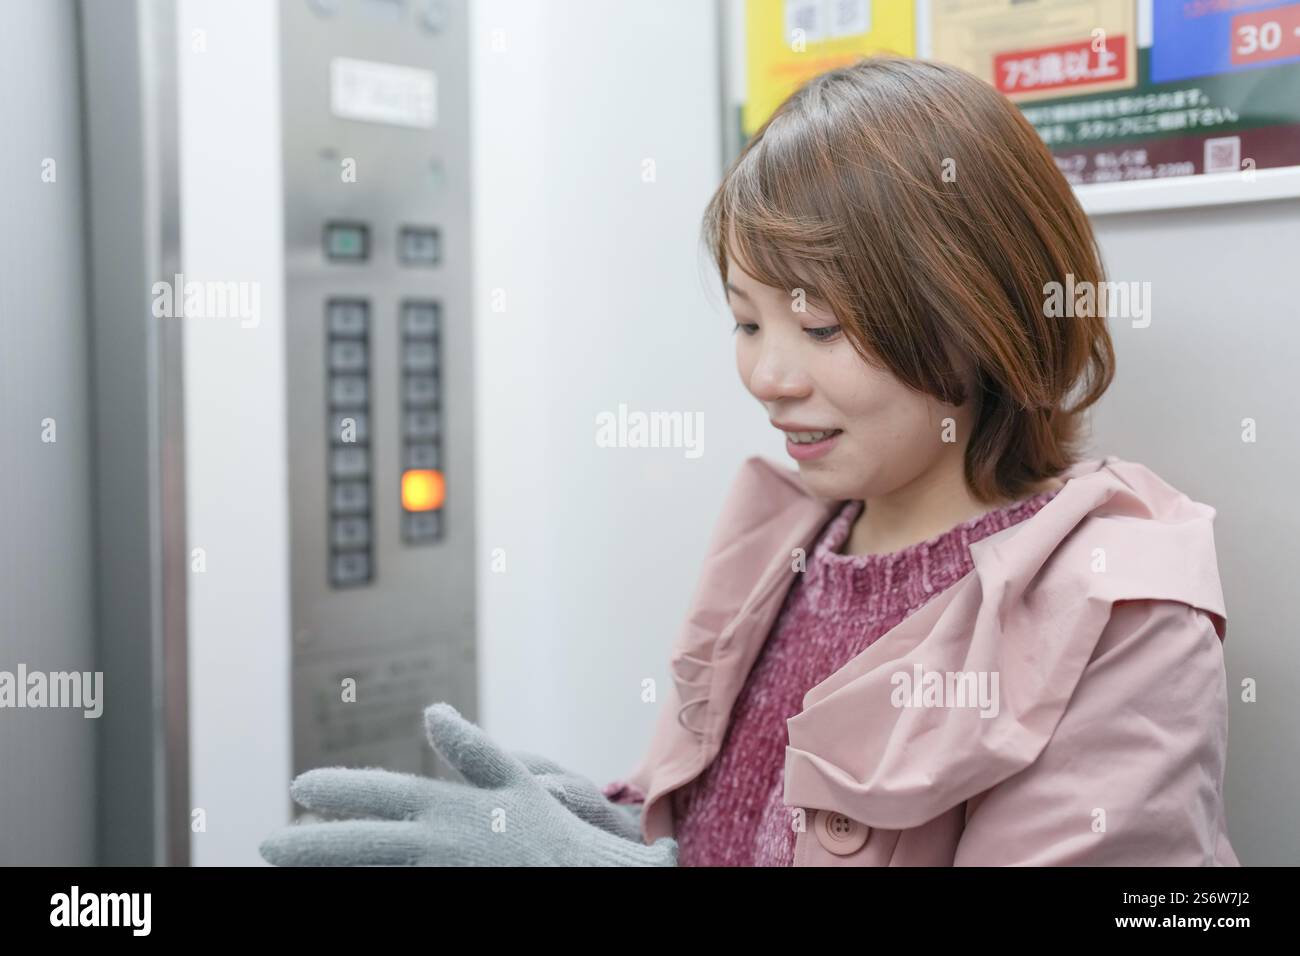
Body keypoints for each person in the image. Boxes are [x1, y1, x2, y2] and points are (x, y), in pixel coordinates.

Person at [259, 55, 1238, 867]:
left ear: (978, 314)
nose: (767, 376)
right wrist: (609, 825)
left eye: (819, 326)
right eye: (745, 320)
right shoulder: (787, 538)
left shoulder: (1120, 617)